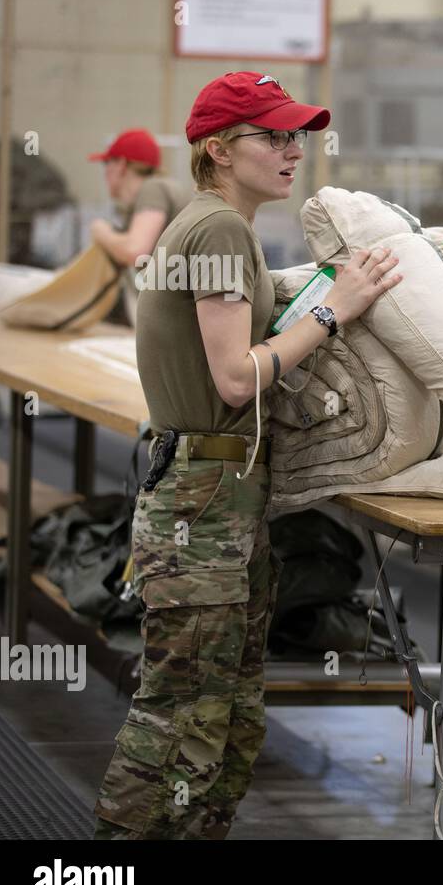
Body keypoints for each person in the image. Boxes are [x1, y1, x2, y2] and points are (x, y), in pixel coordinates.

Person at [93, 71, 402, 839]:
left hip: (215, 496)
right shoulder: (219, 231)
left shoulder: (212, 225)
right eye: (274, 135)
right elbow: (235, 375)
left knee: (223, 714)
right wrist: (334, 311)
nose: (294, 150)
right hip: (203, 504)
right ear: (221, 150)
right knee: (182, 715)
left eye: (298, 135)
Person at [87, 128, 192, 324]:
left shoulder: (153, 189)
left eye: (106, 164)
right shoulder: (159, 190)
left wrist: (102, 233)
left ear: (121, 165)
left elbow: (135, 250)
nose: (105, 173)